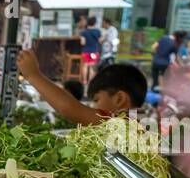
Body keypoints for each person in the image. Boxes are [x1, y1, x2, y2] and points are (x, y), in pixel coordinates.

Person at [16, 48, 147, 126]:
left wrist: (33, 75)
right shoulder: (141, 119)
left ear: (119, 99)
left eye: (97, 100)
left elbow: (70, 109)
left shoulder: (125, 121)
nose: (94, 107)